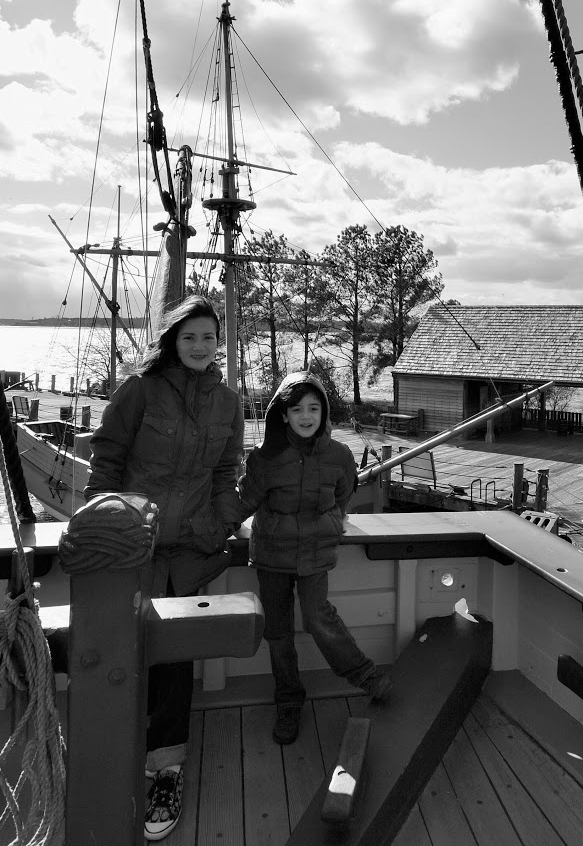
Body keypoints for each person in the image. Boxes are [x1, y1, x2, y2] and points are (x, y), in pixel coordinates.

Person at [86, 294, 243, 842]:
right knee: (123, 653)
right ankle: (119, 753)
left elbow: (228, 473)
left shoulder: (228, 403)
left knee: (175, 664)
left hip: (188, 552)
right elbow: (106, 461)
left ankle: (165, 770)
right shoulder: (140, 391)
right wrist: (105, 529)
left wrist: (217, 526)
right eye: (190, 336)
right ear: (172, 340)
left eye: (208, 337)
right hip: (132, 546)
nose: (200, 346)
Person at [225, 370, 393, 748]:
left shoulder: (339, 456)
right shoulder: (265, 458)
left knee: (318, 617)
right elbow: (245, 502)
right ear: (282, 414)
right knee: (279, 633)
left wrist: (332, 521)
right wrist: (211, 528)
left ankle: (365, 676)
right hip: (271, 556)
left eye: (314, 408)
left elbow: (343, 495)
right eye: (297, 408)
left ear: (324, 413)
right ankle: (288, 700)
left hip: (315, 556)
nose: (305, 415)